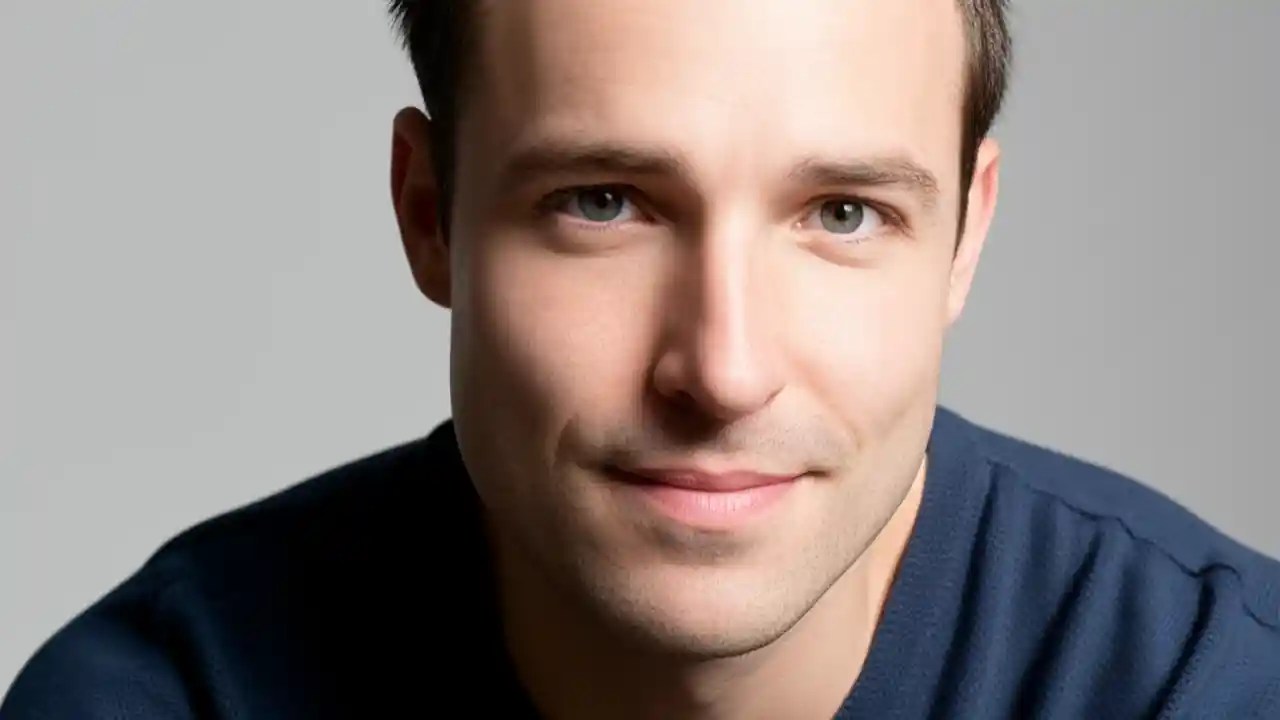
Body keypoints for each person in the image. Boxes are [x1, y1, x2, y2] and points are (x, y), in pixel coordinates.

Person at [4, 0, 1279, 717]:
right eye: (603, 201)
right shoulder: (160, 703)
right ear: (427, 213)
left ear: (963, 235)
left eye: (841, 213)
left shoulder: (1212, 688)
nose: (721, 371)